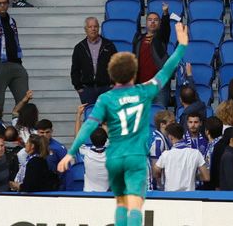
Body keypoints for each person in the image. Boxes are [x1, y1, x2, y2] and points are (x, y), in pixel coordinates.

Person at [59, 16, 191, 226]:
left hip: (115, 157)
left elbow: (89, 126)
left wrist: (71, 152)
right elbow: (166, 70)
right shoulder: (143, 91)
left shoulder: (106, 98)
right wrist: (182, 46)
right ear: (133, 72)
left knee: (121, 203)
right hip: (136, 156)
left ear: (112, 73)